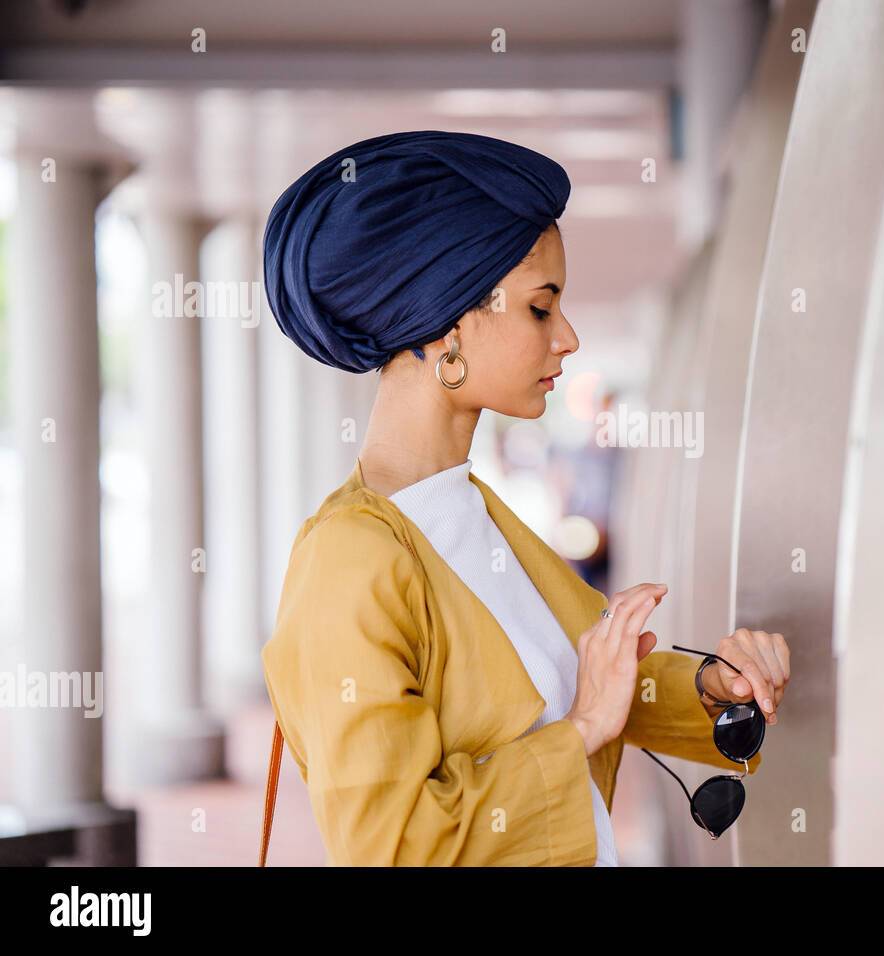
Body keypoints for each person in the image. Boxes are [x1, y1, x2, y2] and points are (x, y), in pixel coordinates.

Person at [259, 130, 791, 866]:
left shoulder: (472, 512)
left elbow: (592, 682)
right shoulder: (348, 560)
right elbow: (393, 847)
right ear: (448, 327)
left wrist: (714, 687)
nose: (567, 337)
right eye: (542, 309)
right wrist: (583, 729)